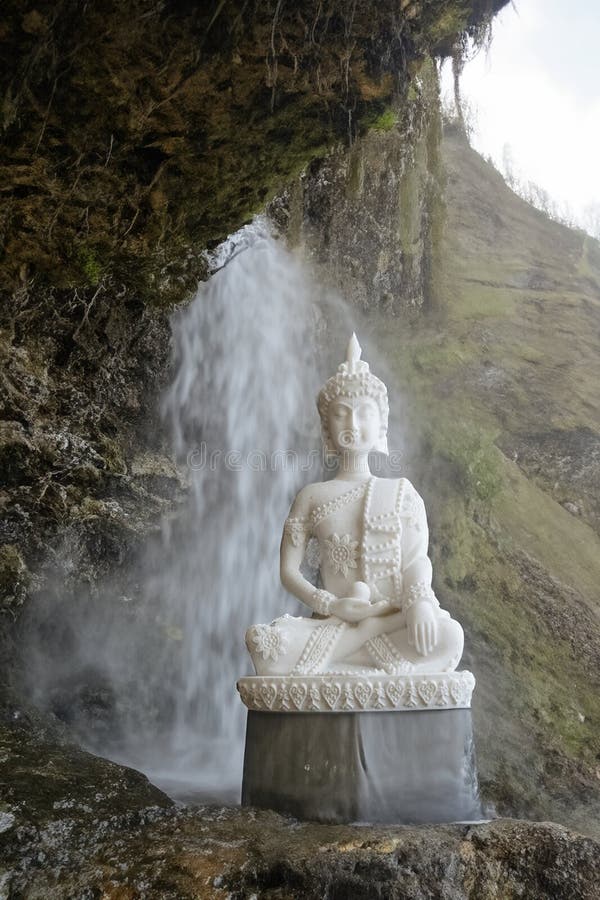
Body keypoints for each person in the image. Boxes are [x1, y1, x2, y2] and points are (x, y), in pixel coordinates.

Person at [245, 334, 463, 677]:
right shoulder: (312, 496)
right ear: (326, 429)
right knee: (264, 643)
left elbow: (415, 561)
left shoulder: (402, 492)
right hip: (332, 621)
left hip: (392, 617)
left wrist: (419, 601)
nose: (353, 425)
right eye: (341, 415)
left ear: (382, 425)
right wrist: (331, 605)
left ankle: (349, 648)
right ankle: (361, 639)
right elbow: (288, 572)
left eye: (364, 414)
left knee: (449, 636)